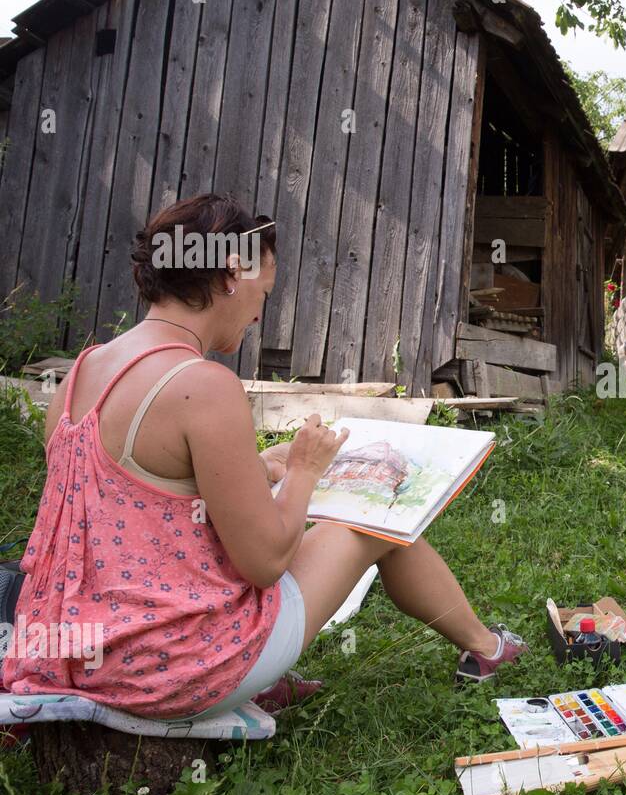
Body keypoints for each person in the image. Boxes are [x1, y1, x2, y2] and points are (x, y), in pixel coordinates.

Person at [2, 193, 525, 723]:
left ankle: (266, 674)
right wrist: (304, 472)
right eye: (263, 292)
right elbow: (266, 561)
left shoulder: (82, 374)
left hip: (85, 659)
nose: (258, 312)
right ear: (231, 274)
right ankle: (487, 646)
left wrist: (257, 468)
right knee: (374, 523)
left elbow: (133, 514)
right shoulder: (202, 385)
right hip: (177, 673)